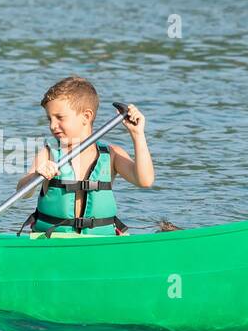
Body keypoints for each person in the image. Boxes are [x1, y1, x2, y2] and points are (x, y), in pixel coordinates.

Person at [17, 76, 154, 236]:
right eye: (50, 119)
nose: (52, 126)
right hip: (53, 242)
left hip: (98, 241)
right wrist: (37, 175)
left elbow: (145, 180)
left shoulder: (112, 154)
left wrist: (138, 135)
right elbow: (22, 193)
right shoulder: (48, 155)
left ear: (86, 117)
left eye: (60, 118)